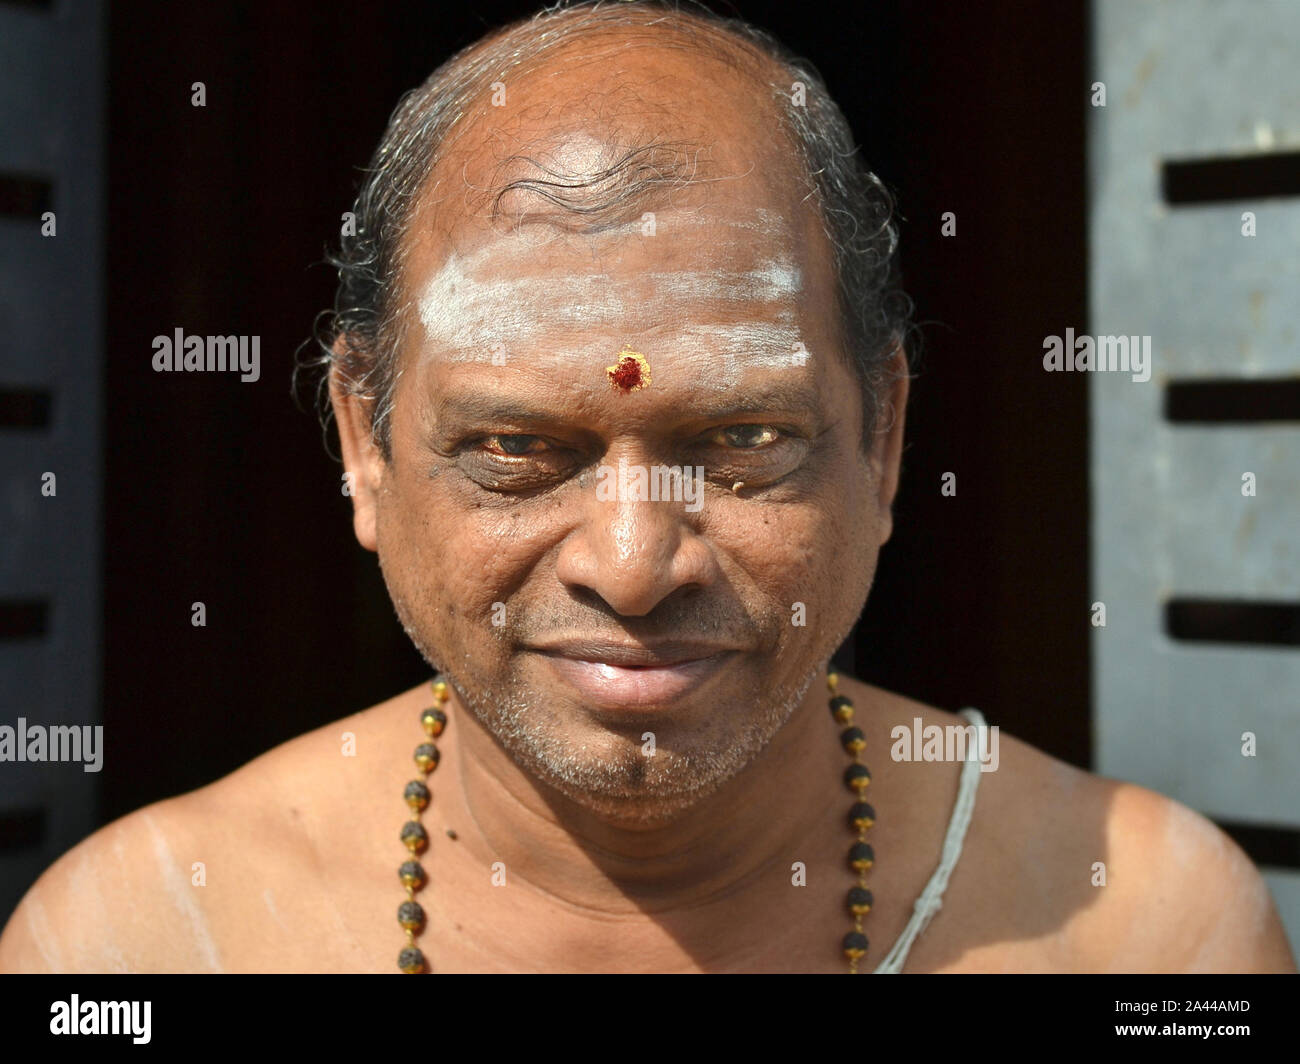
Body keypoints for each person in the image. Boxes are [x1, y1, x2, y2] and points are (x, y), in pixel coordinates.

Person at [1, 0, 1293, 974]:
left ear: (885, 436)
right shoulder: (143, 944)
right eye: (516, 451)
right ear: (364, 442)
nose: (630, 568)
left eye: (743, 439)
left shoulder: (1143, 933)